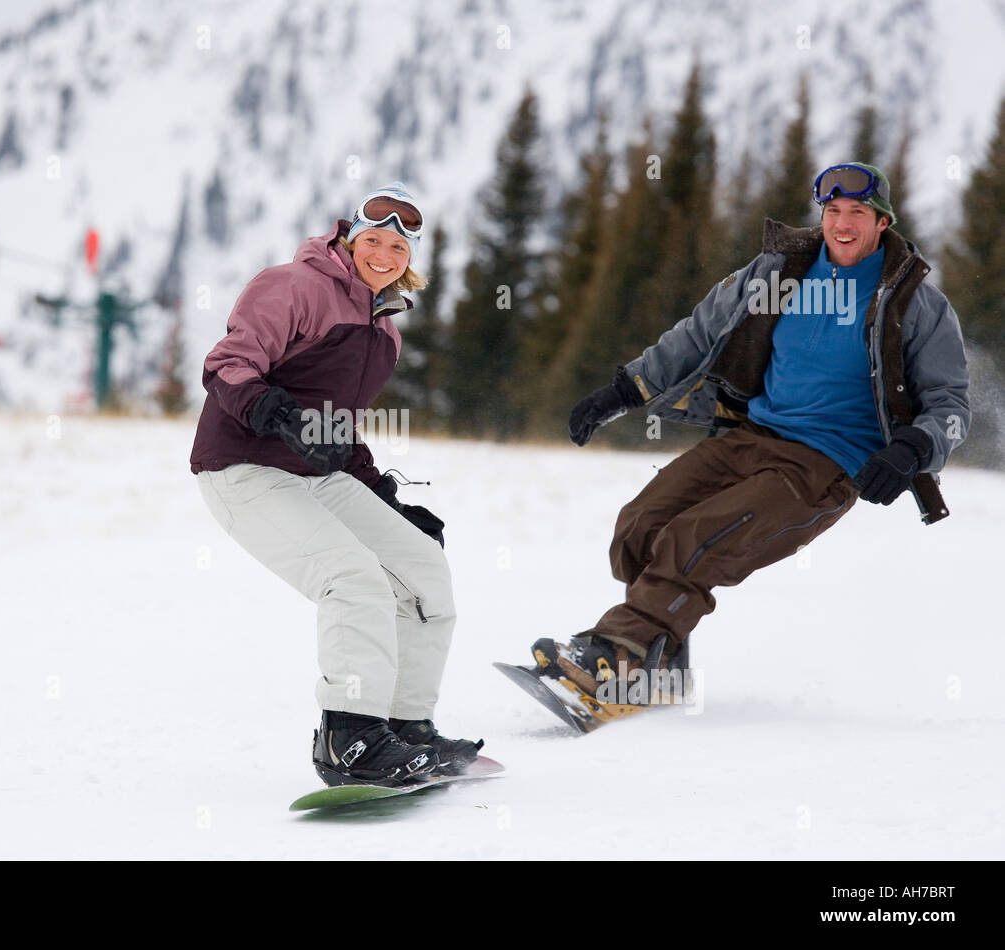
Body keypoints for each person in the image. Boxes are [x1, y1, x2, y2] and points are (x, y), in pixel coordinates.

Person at [527, 162, 970, 703]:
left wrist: (914, 447)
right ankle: (657, 664)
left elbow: (950, 405)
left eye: (858, 212)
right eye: (833, 211)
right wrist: (624, 391)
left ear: (883, 223)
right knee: (641, 526)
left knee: (696, 540)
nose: (843, 223)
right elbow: (698, 333)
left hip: (825, 463)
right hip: (750, 436)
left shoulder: (917, 303)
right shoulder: (777, 273)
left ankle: (615, 653)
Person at [190, 182, 481, 785]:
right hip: (244, 465)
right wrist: (279, 415)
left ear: (410, 261)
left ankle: (403, 727)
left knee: (422, 568)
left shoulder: (384, 331)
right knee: (352, 578)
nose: (384, 254)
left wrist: (388, 500)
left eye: (398, 249)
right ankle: (348, 738)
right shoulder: (294, 285)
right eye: (372, 239)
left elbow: (338, 433)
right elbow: (227, 366)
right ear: (348, 239)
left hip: (318, 474)